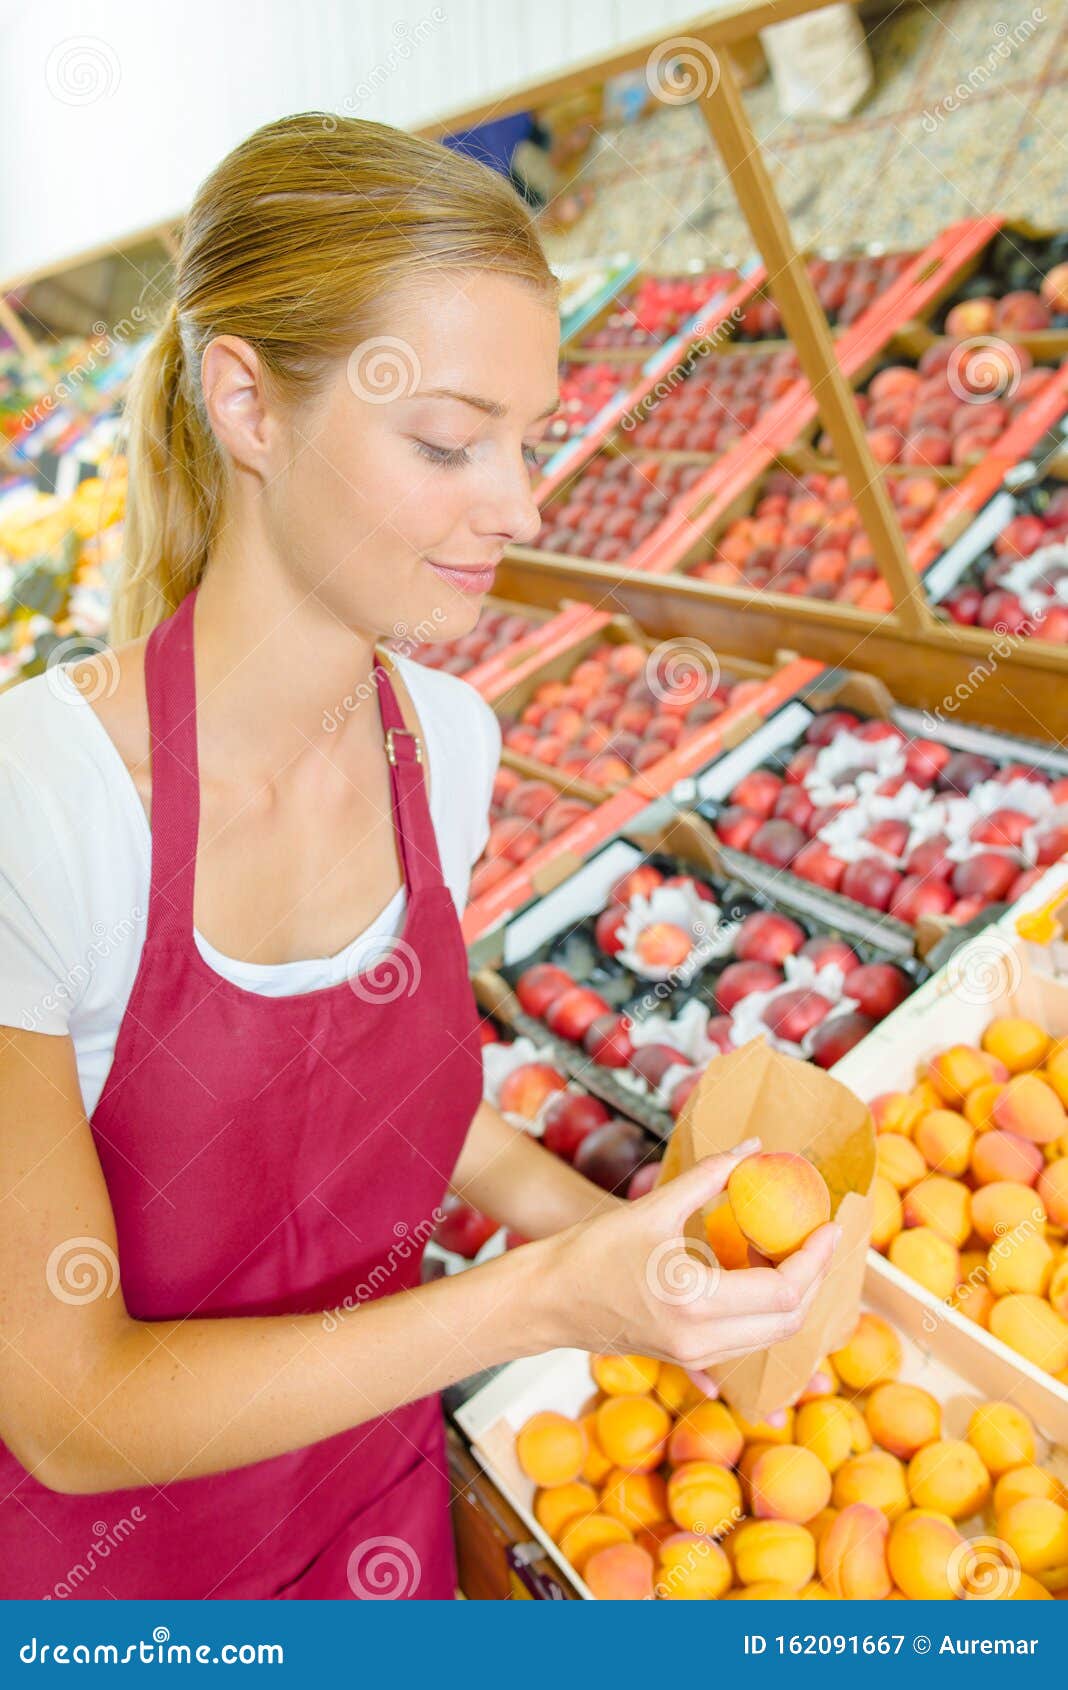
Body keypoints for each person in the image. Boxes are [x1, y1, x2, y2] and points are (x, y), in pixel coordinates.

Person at [0, 113, 839, 1600]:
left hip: (385, 1511)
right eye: (449, 442)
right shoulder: (41, 814)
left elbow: (393, 1113)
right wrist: (537, 1301)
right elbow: (70, 1411)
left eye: (529, 441)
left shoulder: (444, 744)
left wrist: (627, 1244)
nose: (520, 508)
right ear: (249, 405)